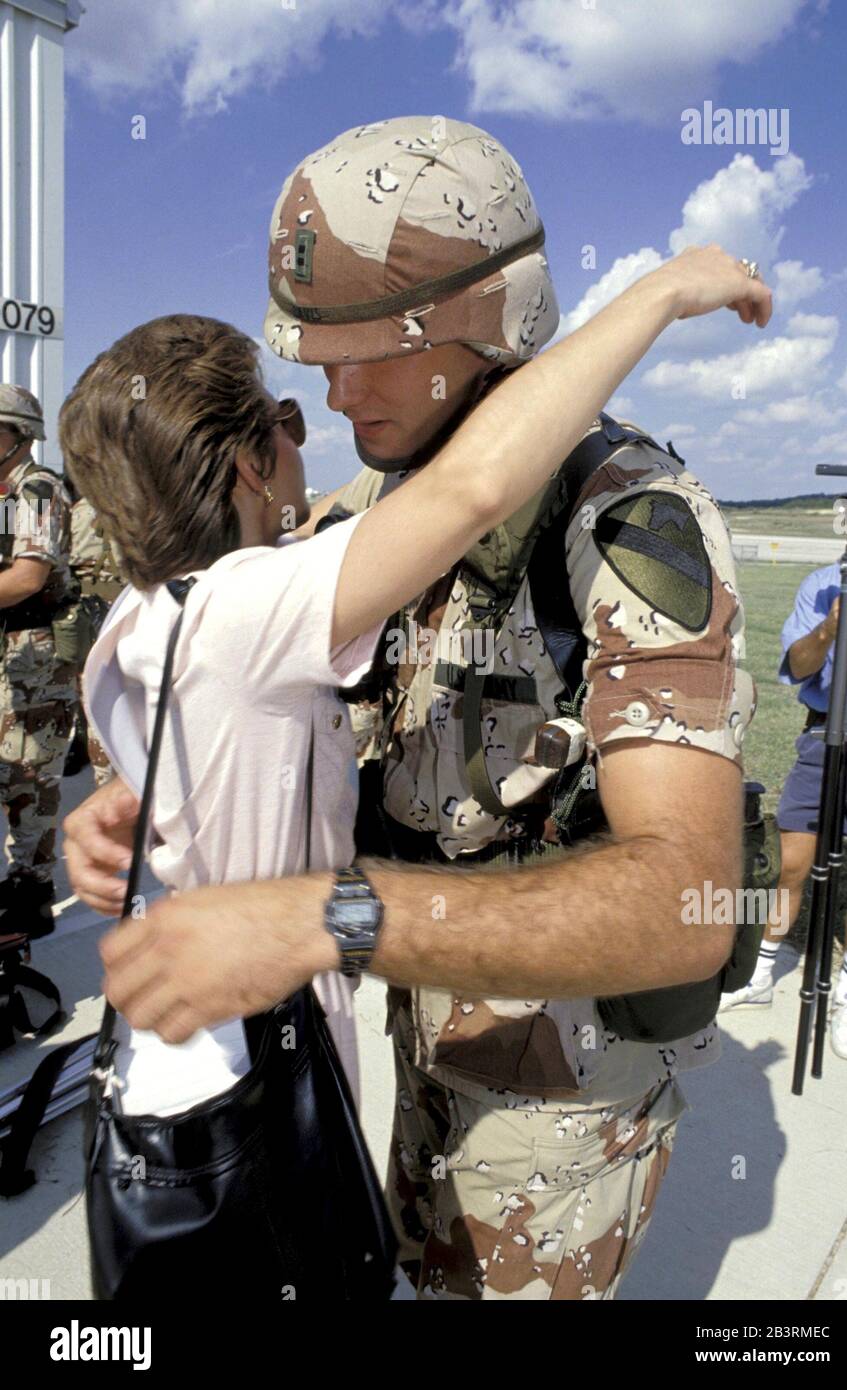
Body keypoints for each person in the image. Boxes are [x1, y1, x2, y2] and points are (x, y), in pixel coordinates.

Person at [65, 116, 772, 1300]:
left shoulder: (624, 516)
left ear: (490, 322)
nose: (333, 391)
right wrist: (159, 811)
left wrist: (327, 917)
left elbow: (682, 907)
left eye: (370, 354)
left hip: (551, 1113)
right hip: (410, 1055)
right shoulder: (366, 515)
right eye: (317, 358)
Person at [721, 546, 847, 1061]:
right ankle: (760, 973)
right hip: (822, 736)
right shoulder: (825, 584)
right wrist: (830, 629)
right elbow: (797, 664)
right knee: (789, 864)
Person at [0, 385, 77, 939]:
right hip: (13, 653)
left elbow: (28, 576)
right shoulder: (8, 493)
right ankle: (20, 882)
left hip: (36, 659)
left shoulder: (39, 489)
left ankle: (33, 892)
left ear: (18, 435)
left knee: (31, 776)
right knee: (13, 774)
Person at [62, 482, 126, 784]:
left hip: (89, 613)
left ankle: (96, 762)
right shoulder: (137, 506)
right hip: (122, 610)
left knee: (89, 688)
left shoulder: (77, 510)